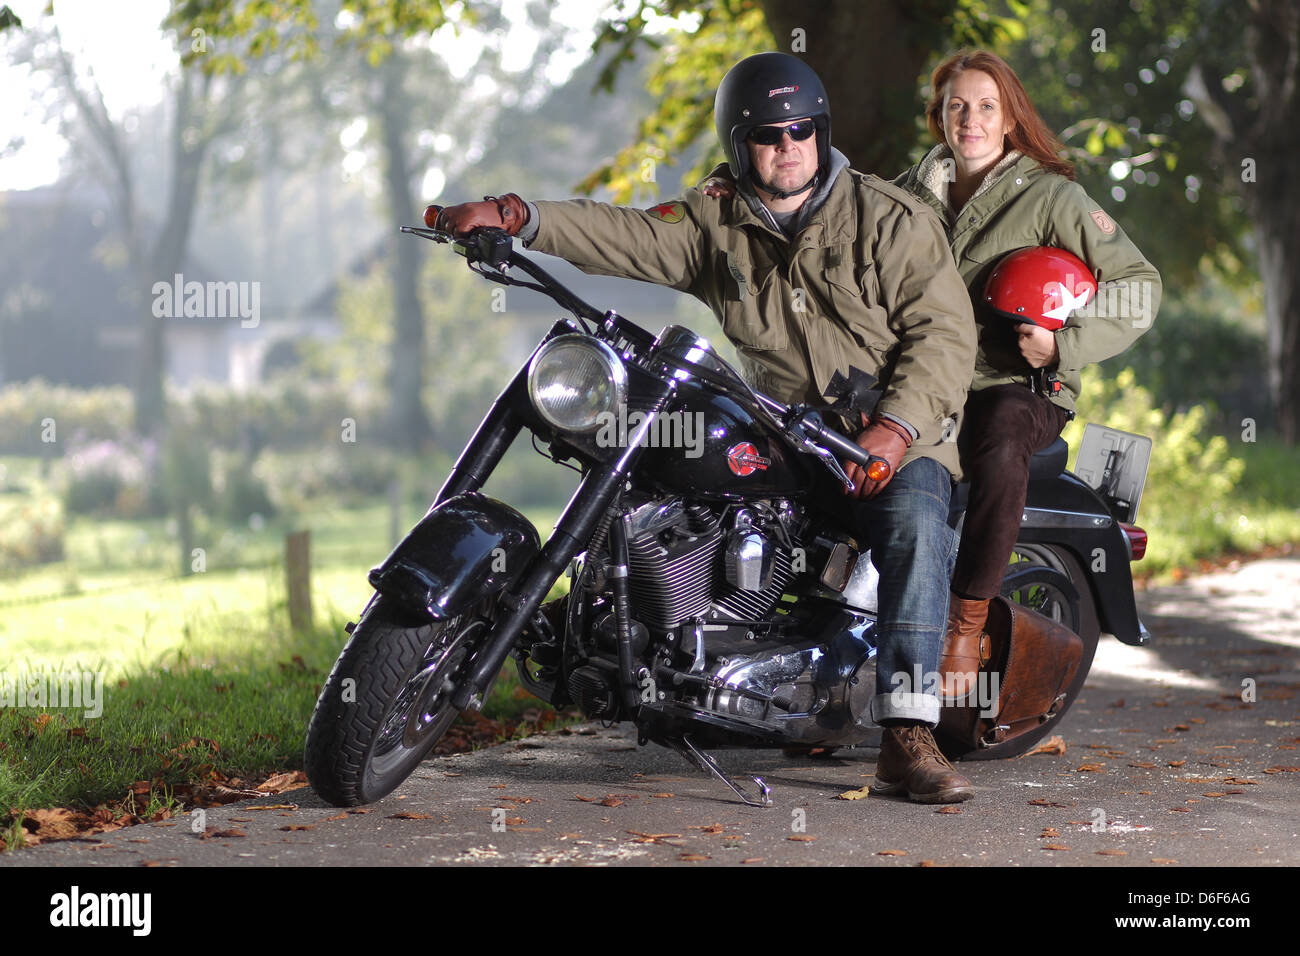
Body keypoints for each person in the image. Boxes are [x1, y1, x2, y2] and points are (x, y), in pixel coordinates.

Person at [428, 52, 980, 803]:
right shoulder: (715, 222)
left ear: (819, 133)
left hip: (888, 437)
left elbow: (944, 336)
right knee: (664, 466)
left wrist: (896, 429)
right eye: (767, 136)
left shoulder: (890, 220)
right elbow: (624, 235)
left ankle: (908, 735)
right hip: (787, 431)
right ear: (738, 144)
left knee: (916, 522)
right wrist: (520, 217)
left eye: (799, 132)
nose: (787, 148)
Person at [891, 50, 1161, 699]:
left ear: (1009, 118)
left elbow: (1139, 285)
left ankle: (966, 622)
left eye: (987, 106)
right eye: (957, 105)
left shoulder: (1051, 195)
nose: (971, 119)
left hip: (1022, 383)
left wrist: (1062, 345)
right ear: (939, 117)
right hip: (926, 379)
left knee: (1001, 428)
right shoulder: (904, 195)